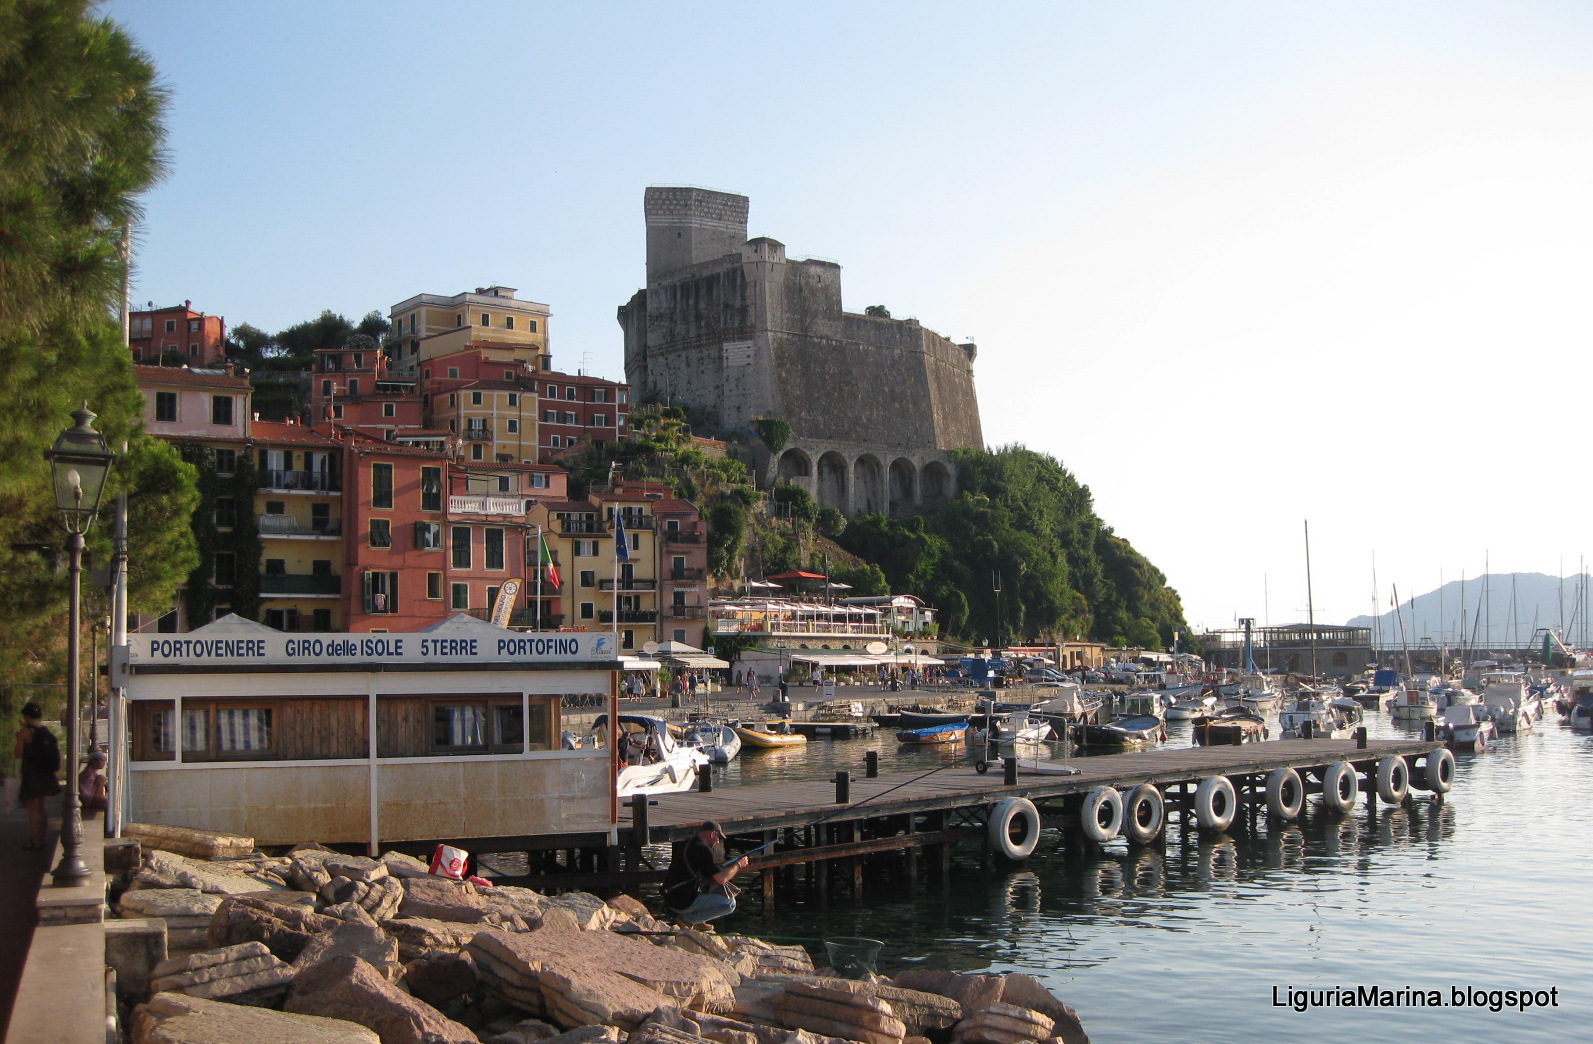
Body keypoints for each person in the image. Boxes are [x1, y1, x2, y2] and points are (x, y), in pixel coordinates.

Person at [662, 820, 749, 926]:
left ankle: (698, 920)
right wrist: (738, 864)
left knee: (707, 890)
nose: (718, 842)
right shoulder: (703, 849)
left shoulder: (688, 843)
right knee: (730, 903)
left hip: (669, 898)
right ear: (712, 834)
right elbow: (721, 879)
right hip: (682, 902)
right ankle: (689, 920)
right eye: (719, 838)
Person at [15, 702, 61, 850]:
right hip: (46, 774)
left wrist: (18, 739)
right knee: (42, 808)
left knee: (33, 810)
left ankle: (35, 840)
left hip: (32, 774)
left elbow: (18, 754)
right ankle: (42, 837)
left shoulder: (25, 732)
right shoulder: (44, 730)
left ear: (26, 716)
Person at [79, 749, 108, 818]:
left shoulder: (94, 773)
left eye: (104, 761)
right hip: (86, 797)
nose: (104, 763)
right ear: (94, 761)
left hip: (90, 796)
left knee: (101, 778)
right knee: (107, 802)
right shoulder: (88, 772)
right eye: (101, 761)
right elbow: (78, 781)